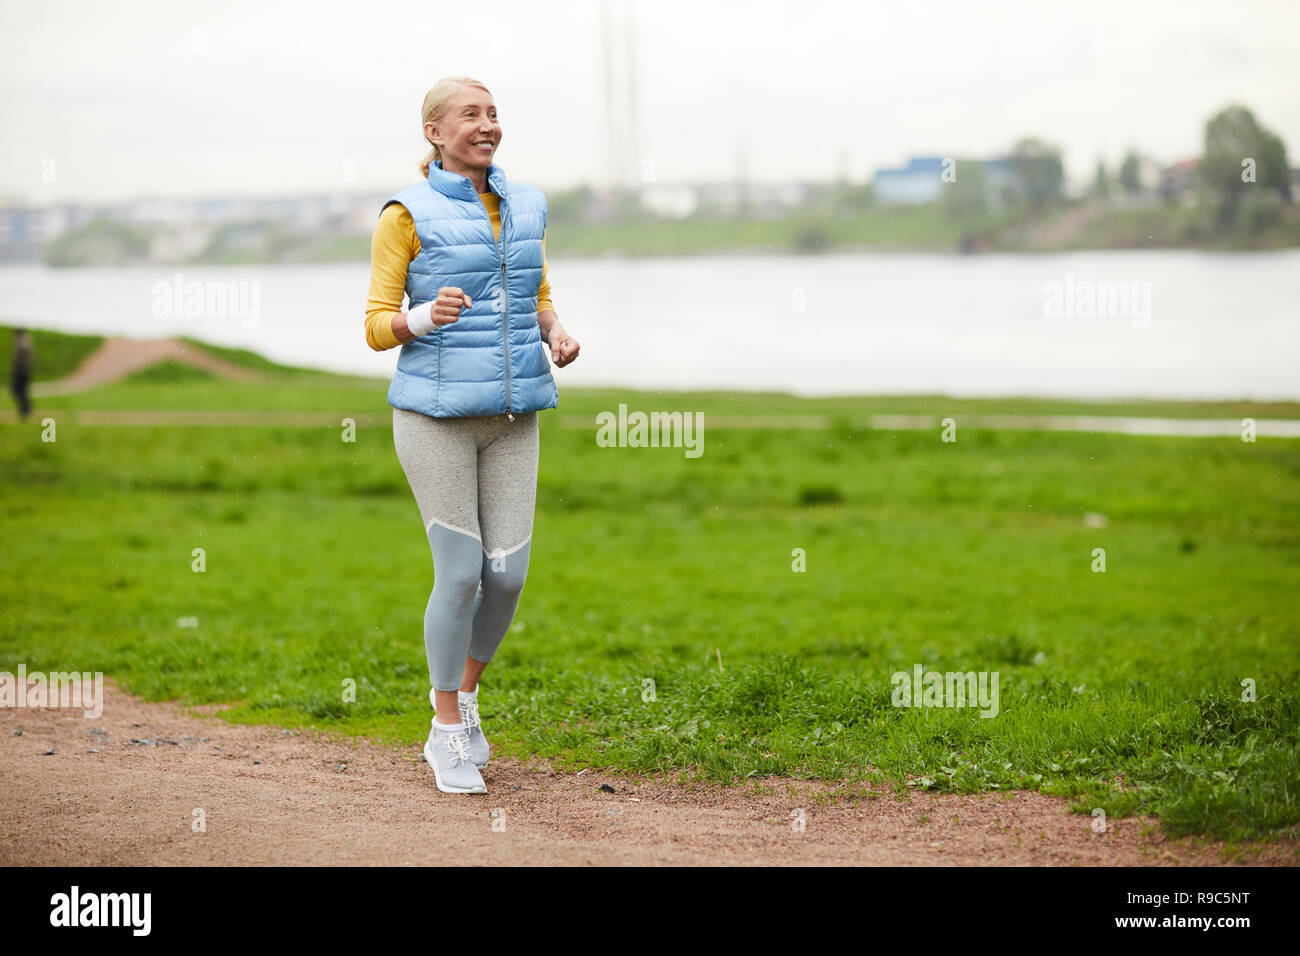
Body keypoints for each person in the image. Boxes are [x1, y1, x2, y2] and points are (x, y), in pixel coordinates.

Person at [364, 77, 580, 794]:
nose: (487, 125)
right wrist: (426, 317)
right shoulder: (406, 214)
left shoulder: (528, 204)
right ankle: (445, 727)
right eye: (470, 115)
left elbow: (535, 291)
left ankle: (465, 692)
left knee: (507, 576)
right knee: (459, 574)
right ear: (435, 132)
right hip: (435, 418)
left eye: (493, 114)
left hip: (515, 415)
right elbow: (374, 325)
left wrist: (556, 331)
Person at [11, 328, 33, 420]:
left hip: (22, 371)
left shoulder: (23, 343)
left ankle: (26, 410)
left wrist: (19, 369)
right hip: (23, 370)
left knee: (18, 390)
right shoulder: (24, 341)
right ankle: (25, 409)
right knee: (20, 390)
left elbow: (22, 359)